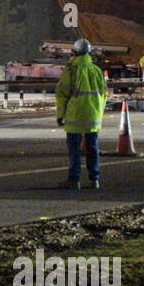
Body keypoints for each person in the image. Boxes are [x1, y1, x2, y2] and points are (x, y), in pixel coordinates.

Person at [56, 38, 108, 190]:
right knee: (93, 148)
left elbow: (62, 94)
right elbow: (105, 94)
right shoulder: (96, 71)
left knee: (74, 150)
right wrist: (99, 113)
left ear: (74, 52)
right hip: (93, 116)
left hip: (75, 116)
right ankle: (94, 179)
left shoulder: (71, 70)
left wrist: (60, 114)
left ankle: (74, 180)